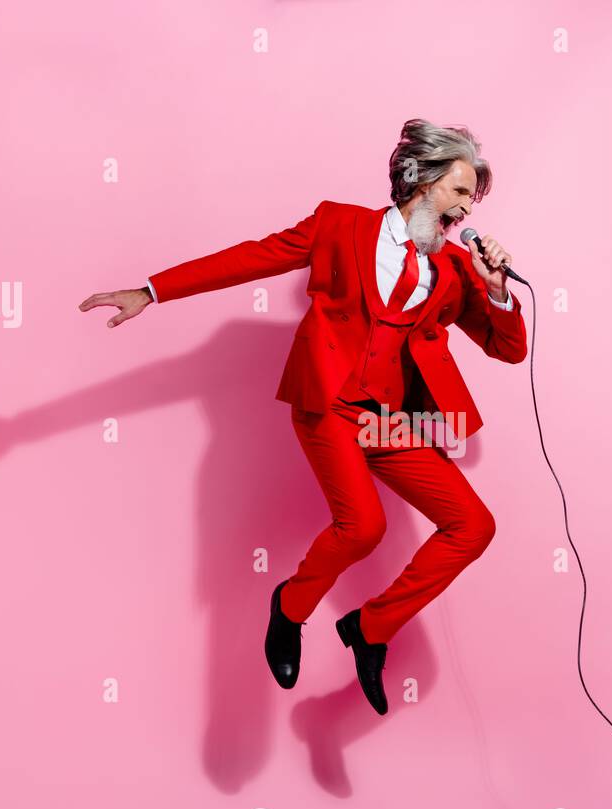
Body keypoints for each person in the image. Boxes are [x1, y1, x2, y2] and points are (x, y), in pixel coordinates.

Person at [78, 119, 525, 715]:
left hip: (391, 420)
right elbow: (251, 259)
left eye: (471, 198)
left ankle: (369, 629)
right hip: (330, 404)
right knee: (363, 526)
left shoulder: (455, 270)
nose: (467, 210)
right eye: (460, 192)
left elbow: (508, 349)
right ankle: (289, 608)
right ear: (422, 181)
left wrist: (496, 291)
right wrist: (152, 290)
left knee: (473, 526)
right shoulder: (340, 225)